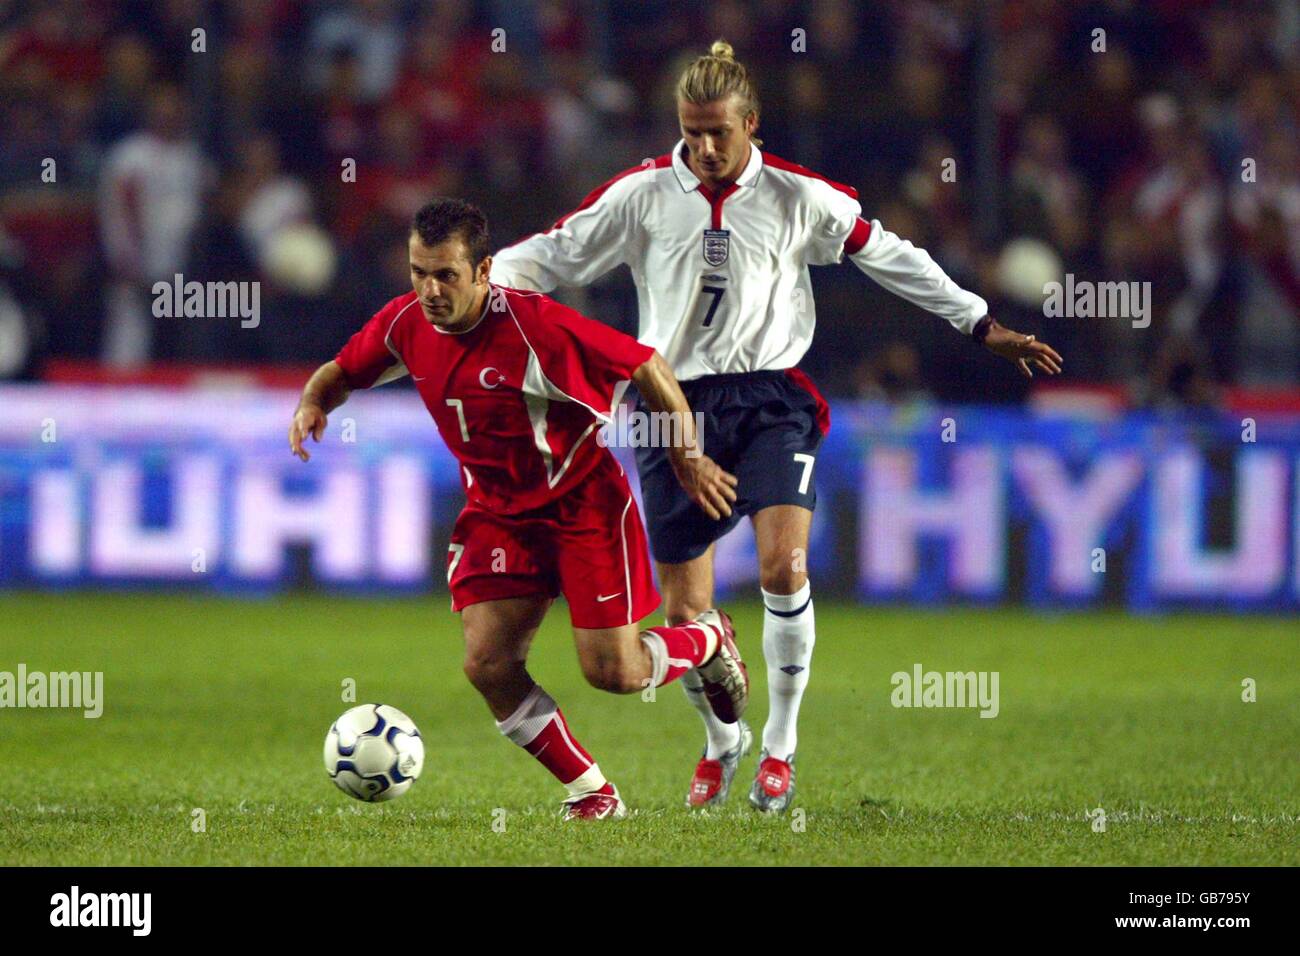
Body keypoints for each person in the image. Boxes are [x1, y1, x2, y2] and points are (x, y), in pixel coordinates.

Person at [490, 41, 1064, 813]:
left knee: (783, 570)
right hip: (670, 407)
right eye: (690, 132)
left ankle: (779, 747)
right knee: (687, 615)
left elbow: (890, 255)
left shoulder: (800, 196)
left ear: (751, 124)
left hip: (770, 401)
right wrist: (476, 284)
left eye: (718, 132)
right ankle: (721, 738)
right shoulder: (641, 195)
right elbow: (552, 255)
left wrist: (978, 322)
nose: (702, 148)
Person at [289, 198, 748, 819]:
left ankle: (707, 637)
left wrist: (687, 455)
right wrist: (313, 403)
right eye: (418, 272)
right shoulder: (404, 323)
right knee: (488, 663)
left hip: (581, 504)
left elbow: (646, 365)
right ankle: (593, 793)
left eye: (445, 275)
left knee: (616, 673)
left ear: (483, 271)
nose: (429, 290)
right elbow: (343, 370)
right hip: (500, 513)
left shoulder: (539, 329)